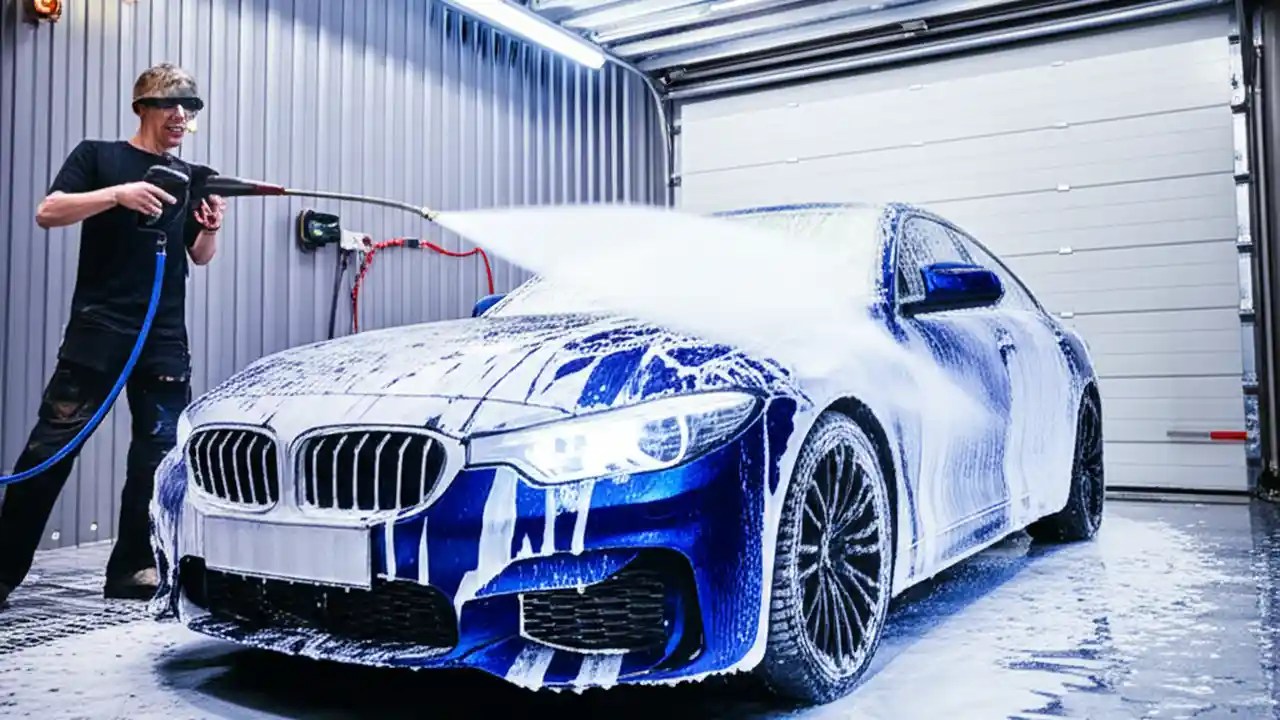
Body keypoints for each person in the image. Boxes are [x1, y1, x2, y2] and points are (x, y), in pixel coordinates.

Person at [0, 63, 226, 606]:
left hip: (164, 334)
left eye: (190, 109)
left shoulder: (193, 173)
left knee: (156, 454)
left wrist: (211, 229)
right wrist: (118, 194)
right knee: (51, 448)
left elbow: (199, 255)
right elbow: (48, 212)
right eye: (172, 105)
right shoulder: (98, 157)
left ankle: (132, 568)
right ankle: (3, 569)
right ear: (142, 106)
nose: (181, 117)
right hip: (100, 330)